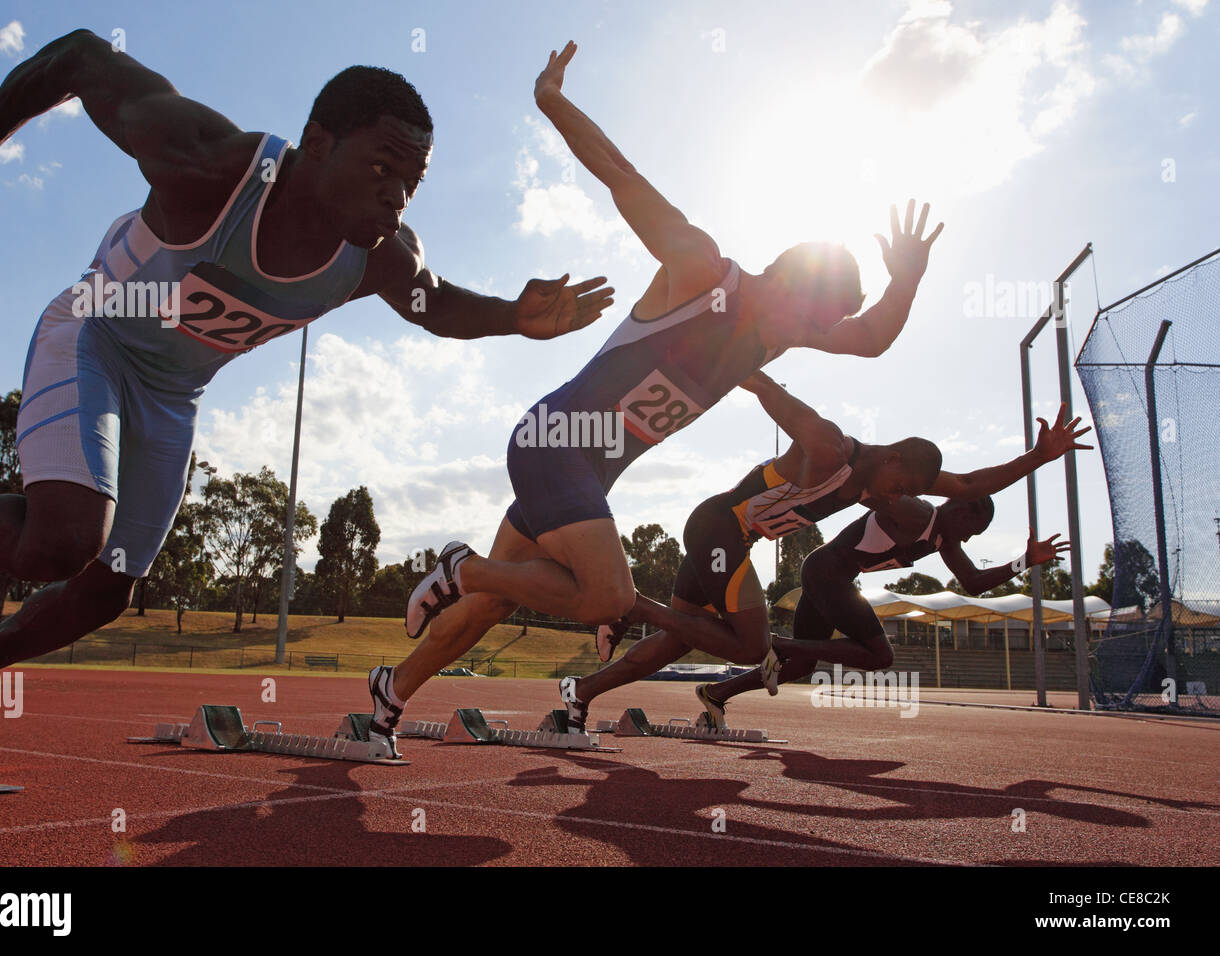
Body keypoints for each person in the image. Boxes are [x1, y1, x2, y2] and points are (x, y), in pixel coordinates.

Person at [0, 30, 612, 759]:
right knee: (64, 540)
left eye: (411, 182)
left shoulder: (380, 256)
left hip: (172, 391)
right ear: (316, 142)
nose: (394, 194)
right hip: (96, 335)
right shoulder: (215, 166)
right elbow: (82, 57)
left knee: (107, 590)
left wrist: (511, 316)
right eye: (380, 165)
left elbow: (434, 305)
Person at [379, 40, 946, 757]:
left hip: (583, 475)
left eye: (815, 330)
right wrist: (552, 101)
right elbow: (622, 176)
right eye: (807, 320)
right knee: (607, 599)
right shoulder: (699, 269)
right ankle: (460, 567)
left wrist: (910, 278)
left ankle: (386, 698)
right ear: (783, 279)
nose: (807, 337)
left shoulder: (775, 335)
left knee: (494, 603)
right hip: (555, 441)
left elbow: (869, 340)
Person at [558, 375, 1089, 731]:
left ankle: (580, 693)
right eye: (895, 487)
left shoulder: (880, 482)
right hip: (719, 524)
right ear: (892, 457)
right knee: (750, 646)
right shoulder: (829, 446)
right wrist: (731, 353)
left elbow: (970, 483)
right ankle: (630, 604)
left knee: (680, 639)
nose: (887, 500)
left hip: (731, 539)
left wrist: (1038, 457)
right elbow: (764, 385)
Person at [694, 495, 1069, 729]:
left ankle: (717, 692)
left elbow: (971, 582)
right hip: (828, 573)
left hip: (831, 576)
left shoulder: (944, 537)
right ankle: (777, 643)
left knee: (805, 664)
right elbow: (868, 493)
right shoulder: (916, 510)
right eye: (975, 528)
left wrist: (1025, 562)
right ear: (958, 507)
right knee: (880, 655)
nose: (971, 539)